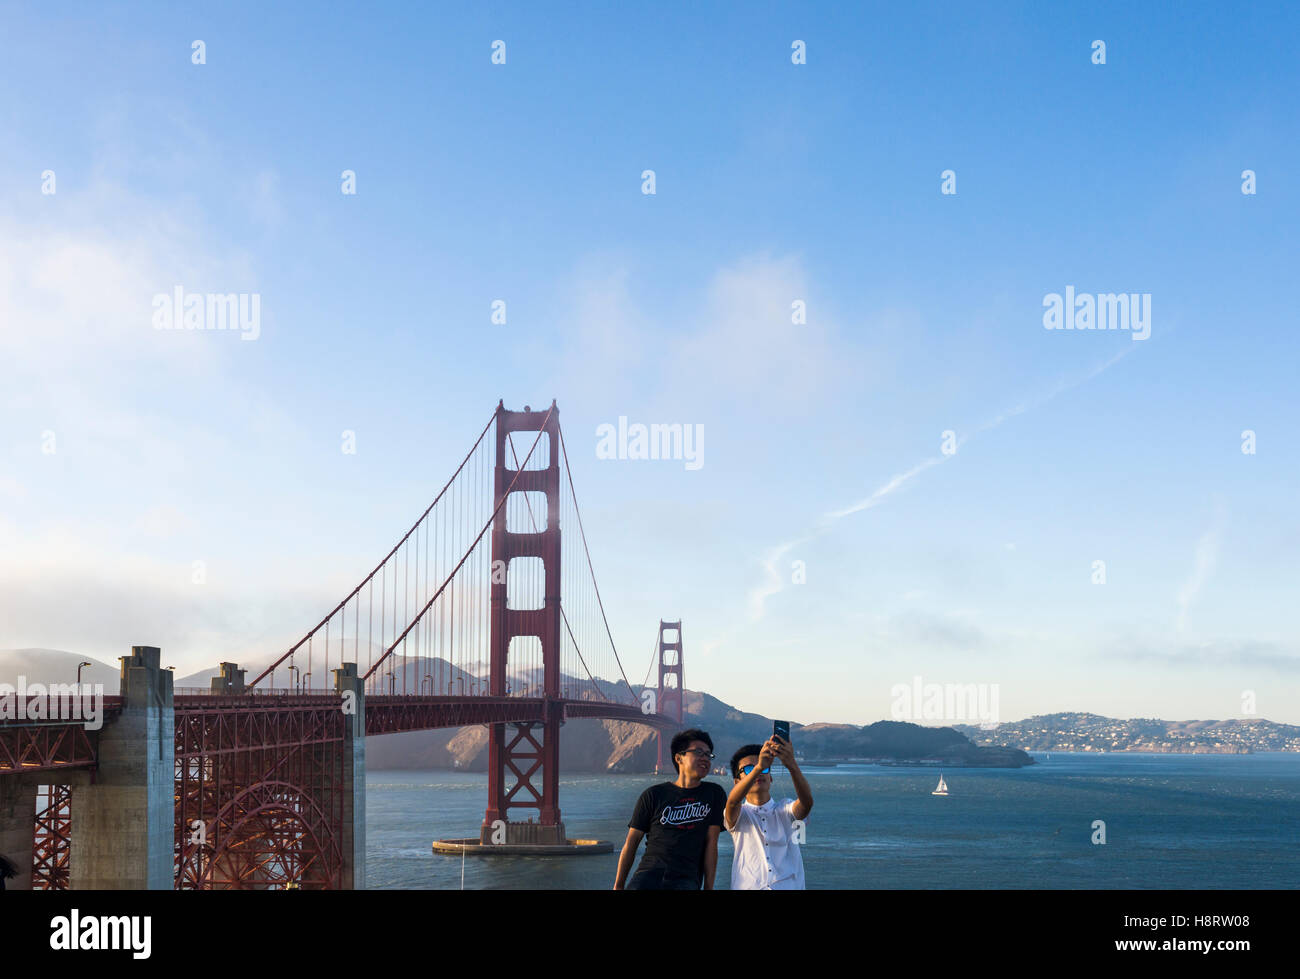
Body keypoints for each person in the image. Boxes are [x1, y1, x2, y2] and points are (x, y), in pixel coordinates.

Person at [613, 728, 727, 890]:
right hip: (647, 876)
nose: (705, 759)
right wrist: (618, 885)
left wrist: (709, 887)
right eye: (699, 752)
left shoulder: (714, 793)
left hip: (685, 879)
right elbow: (631, 843)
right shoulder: (653, 794)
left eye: (708, 755)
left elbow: (711, 843)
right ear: (679, 758)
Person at [724, 734, 813, 889]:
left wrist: (791, 764)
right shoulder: (739, 814)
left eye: (765, 768)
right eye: (749, 769)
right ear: (737, 782)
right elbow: (732, 802)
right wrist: (759, 766)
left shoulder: (786, 810)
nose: (758, 773)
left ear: (771, 777)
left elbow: (806, 803)